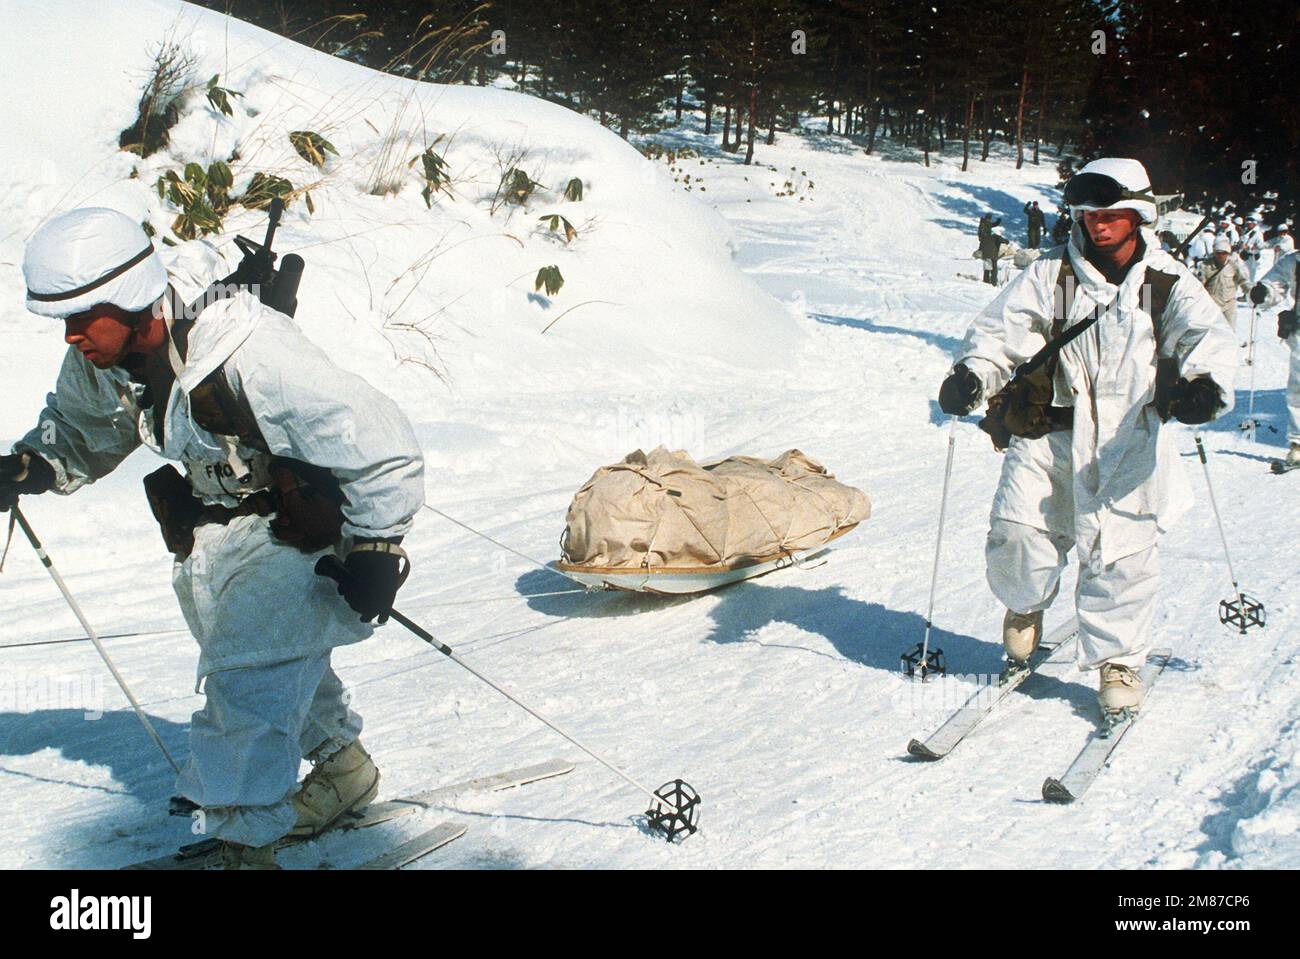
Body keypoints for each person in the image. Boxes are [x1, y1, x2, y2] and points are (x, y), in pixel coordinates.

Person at [0, 208, 425, 868]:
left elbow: (378, 438)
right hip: (216, 540)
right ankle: (345, 772)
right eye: (64, 319)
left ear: (133, 295)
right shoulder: (104, 361)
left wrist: (377, 545)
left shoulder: (246, 347)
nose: (71, 336)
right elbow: (80, 431)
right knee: (272, 669)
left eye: (83, 317)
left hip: (293, 534)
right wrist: (30, 464)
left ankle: (244, 848)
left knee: (245, 696)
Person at [937, 158, 1235, 719]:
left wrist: (1205, 386)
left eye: (1113, 215)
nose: (1099, 226)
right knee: (1018, 536)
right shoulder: (1053, 274)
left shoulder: (1164, 281)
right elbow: (1001, 333)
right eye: (1090, 214)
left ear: (1138, 215)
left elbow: (1205, 339)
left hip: (1126, 438)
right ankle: (1024, 609)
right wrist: (973, 373)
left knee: (1120, 555)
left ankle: (1118, 662)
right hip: (1047, 430)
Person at [1250, 247, 1300, 471]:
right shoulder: (1294, 260)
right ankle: (1298, 444)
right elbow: (1275, 283)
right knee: (1298, 389)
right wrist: (1264, 292)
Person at [1197, 234, 1253, 333]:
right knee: (1211, 333)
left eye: (1224, 253)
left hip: (1228, 305)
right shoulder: (1205, 266)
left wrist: (1251, 292)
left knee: (1229, 332)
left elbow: (1244, 280)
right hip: (1211, 305)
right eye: (1218, 253)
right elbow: (1198, 285)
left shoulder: (1233, 265)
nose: (1221, 255)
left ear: (1228, 253)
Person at [978, 213, 1004, 285]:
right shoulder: (983, 224)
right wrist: (987, 238)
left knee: (988, 263)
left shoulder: (987, 223)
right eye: (989, 218)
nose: (990, 220)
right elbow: (982, 234)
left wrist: (998, 222)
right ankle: (988, 281)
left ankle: (987, 280)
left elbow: (993, 225)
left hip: (988, 243)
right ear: (987, 218)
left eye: (990, 219)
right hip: (985, 244)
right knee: (988, 262)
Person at [1240, 215, 1266, 280]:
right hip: (1244, 256)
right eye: (1248, 223)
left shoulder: (1258, 233)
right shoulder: (1245, 232)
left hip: (1252, 257)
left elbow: (1260, 246)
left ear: (1254, 223)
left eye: (1250, 223)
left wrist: (1249, 247)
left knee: (1250, 276)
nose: (1249, 225)